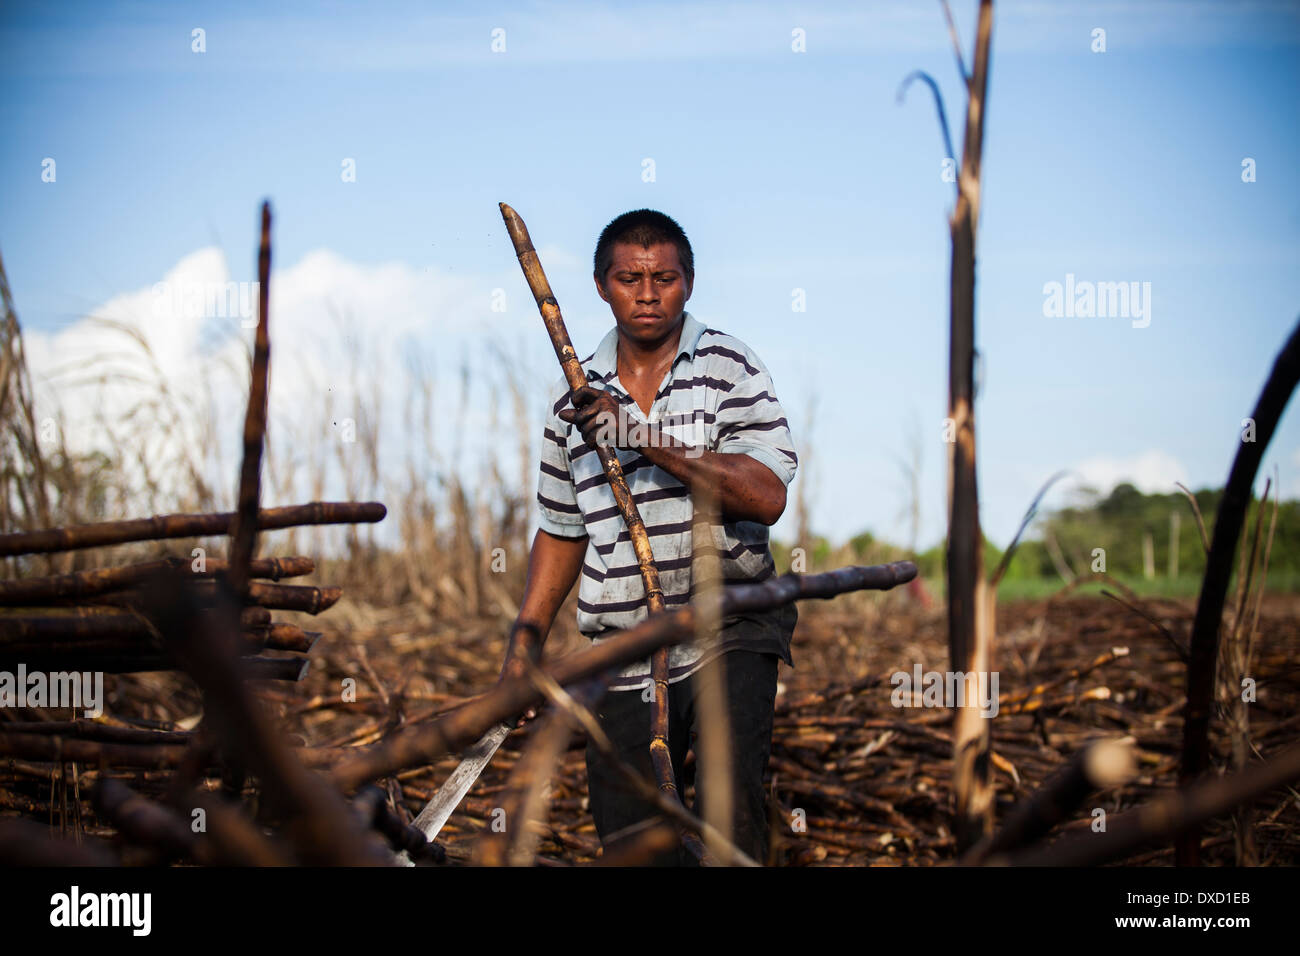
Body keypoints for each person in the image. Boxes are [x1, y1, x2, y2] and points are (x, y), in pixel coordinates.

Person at [498, 208, 799, 866]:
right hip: (624, 643)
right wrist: (527, 638)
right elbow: (561, 527)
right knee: (632, 837)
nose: (647, 293)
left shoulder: (730, 368)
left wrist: (635, 434)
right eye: (629, 278)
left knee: (729, 813)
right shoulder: (570, 400)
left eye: (663, 277)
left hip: (731, 624)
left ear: (688, 283)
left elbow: (765, 494)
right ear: (602, 286)